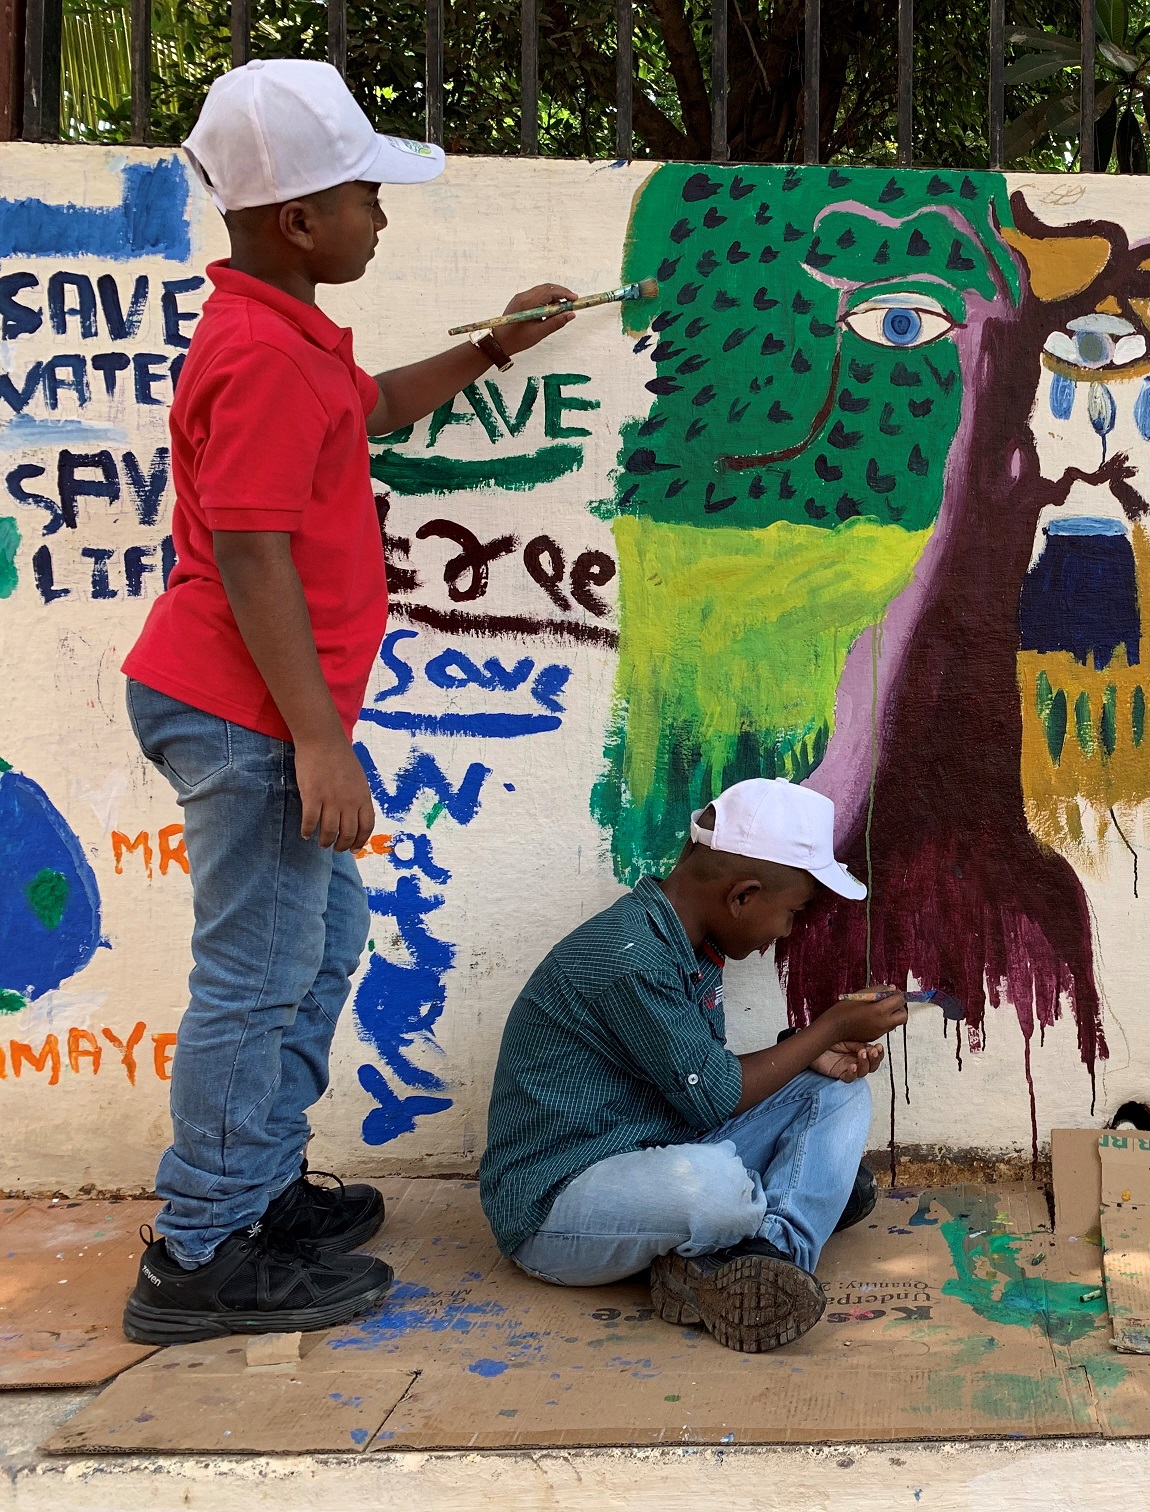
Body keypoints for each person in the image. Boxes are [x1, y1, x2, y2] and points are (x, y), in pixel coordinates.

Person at [120, 58, 576, 1345]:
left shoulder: (291, 333)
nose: (383, 213)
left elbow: (366, 412)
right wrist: (318, 740)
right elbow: (252, 550)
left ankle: (256, 1194)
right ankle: (199, 1252)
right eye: (365, 192)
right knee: (255, 981)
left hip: (256, 704)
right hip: (245, 710)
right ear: (294, 221)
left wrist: (492, 345)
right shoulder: (262, 351)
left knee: (314, 951)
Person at [480, 778, 909, 1355]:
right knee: (717, 1187)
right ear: (742, 897)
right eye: (791, 914)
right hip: (556, 1208)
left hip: (655, 1150)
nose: (787, 932)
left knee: (836, 1093)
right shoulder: (630, 959)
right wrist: (829, 1028)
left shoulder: (688, 943)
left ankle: (763, 1259)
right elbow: (714, 1098)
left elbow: (700, 1083)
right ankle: (774, 1221)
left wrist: (816, 1054)